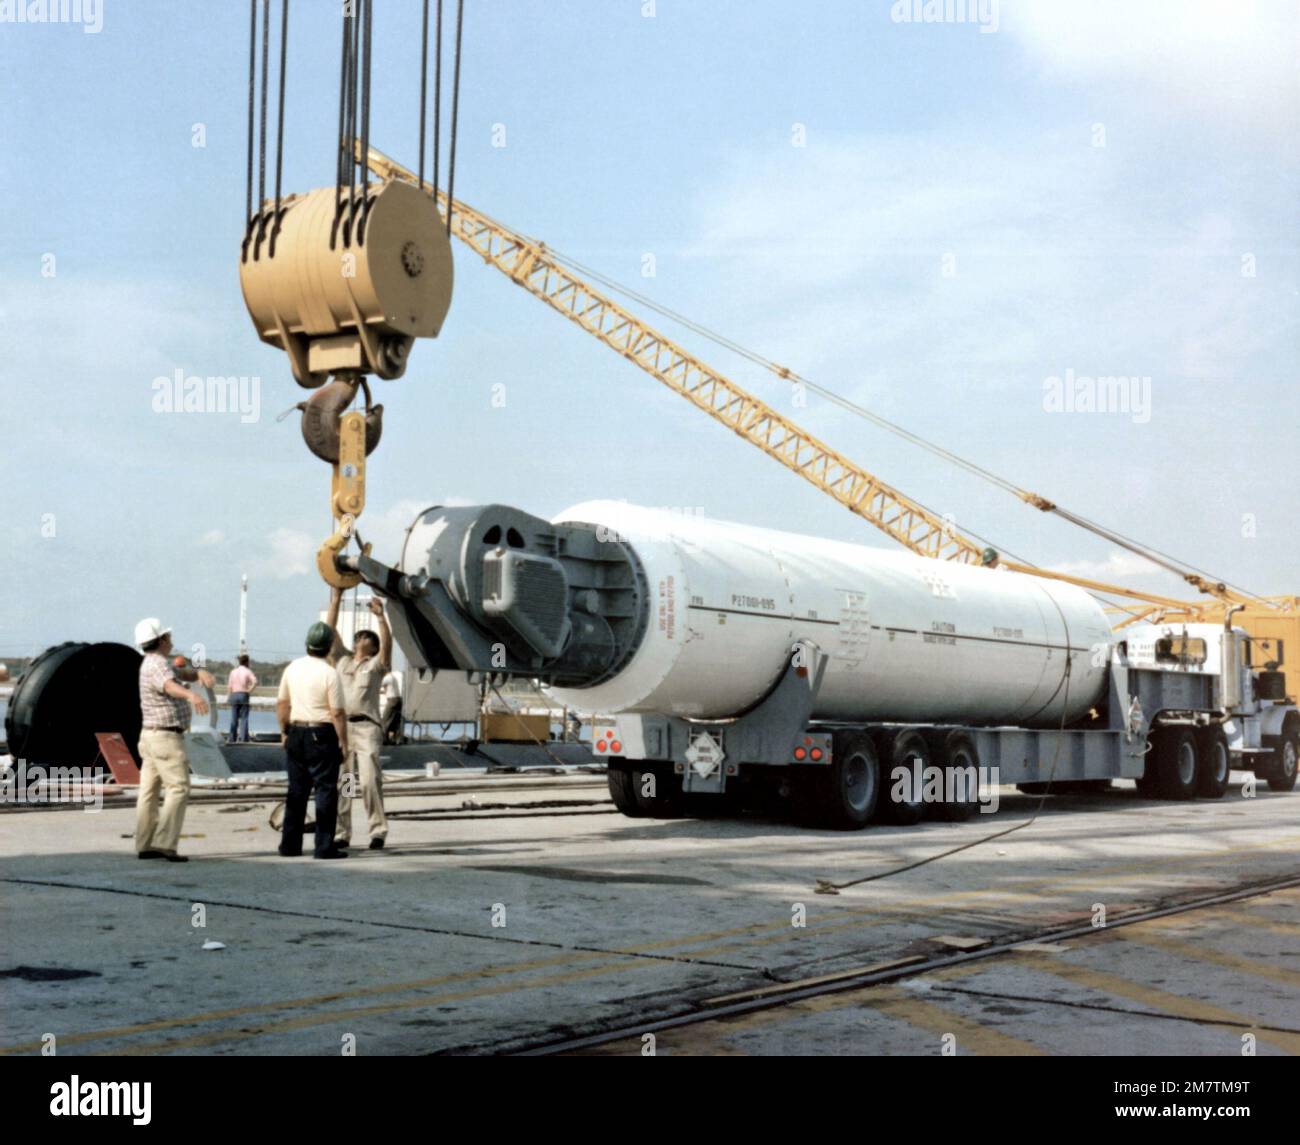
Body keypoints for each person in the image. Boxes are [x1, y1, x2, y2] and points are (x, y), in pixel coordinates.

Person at [133, 618, 212, 862]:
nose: (172, 641)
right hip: (166, 736)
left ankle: (145, 843)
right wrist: (192, 696)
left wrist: (197, 673)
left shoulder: (153, 663)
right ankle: (165, 843)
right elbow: (169, 685)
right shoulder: (157, 665)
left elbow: (178, 673)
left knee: (149, 790)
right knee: (178, 787)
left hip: (150, 736)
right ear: (161, 640)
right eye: (168, 637)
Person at [276, 621, 349, 859]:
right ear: (329, 647)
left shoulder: (292, 668)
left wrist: (284, 731)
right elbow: (337, 712)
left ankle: (289, 845)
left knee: (296, 791)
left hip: (296, 731)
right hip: (322, 733)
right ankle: (324, 846)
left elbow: (282, 704)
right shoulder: (330, 673)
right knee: (325, 791)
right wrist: (343, 742)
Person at [325, 590, 391, 851]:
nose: (360, 639)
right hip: (343, 728)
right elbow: (329, 630)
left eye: (366, 637)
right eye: (358, 636)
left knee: (369, 780)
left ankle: (378, 831)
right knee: (345, 782)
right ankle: (342, 832)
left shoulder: (375, 666)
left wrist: (381, 618)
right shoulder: (341, 661)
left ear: (372, 647)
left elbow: (387, 648)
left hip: (366, 728)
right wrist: (337, 599)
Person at [226, 654, 258, 743]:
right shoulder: (248, 671)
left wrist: (229, 697)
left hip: (234, 694)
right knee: (244, 718)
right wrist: (249, 691)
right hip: (243, 694)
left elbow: (229, 686)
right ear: (247, 662)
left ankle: (232, 738)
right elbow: (255, 682)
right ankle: (243, 739)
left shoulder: (233, 671)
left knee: (234, 718)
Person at [380, 668, 404, 745]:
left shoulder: (387, 678)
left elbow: (377, 684)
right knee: (394, 721)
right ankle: (396, 740)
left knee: (385, 720)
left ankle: (384, 740)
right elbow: (387, 690)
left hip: (392, 700)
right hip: (398, 700)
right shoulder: (393, 678)